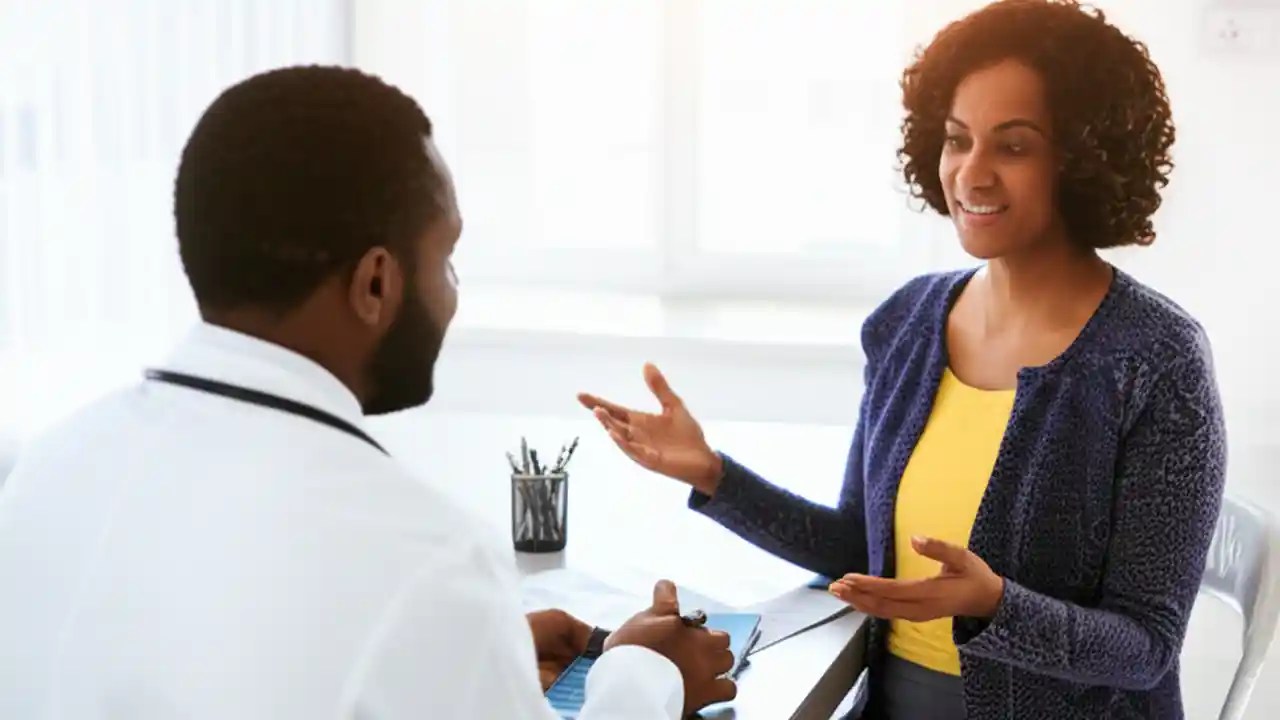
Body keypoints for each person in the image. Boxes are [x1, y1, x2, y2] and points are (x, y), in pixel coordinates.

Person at [0, 66, 738, 719]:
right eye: (446, 257)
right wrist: (647, 675)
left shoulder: (43, 474)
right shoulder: (426, 558)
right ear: (376, 282)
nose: (453, 293)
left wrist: (474, 651)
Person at [578, 1, 1227, 718]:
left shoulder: (1156, 358)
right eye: (957, 140)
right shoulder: (910, 324)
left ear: (1081, 158)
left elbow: (1146, 646)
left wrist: (995, 607)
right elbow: (859, 547)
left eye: (1013, 147)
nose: (971, 175)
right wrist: (713, 474)